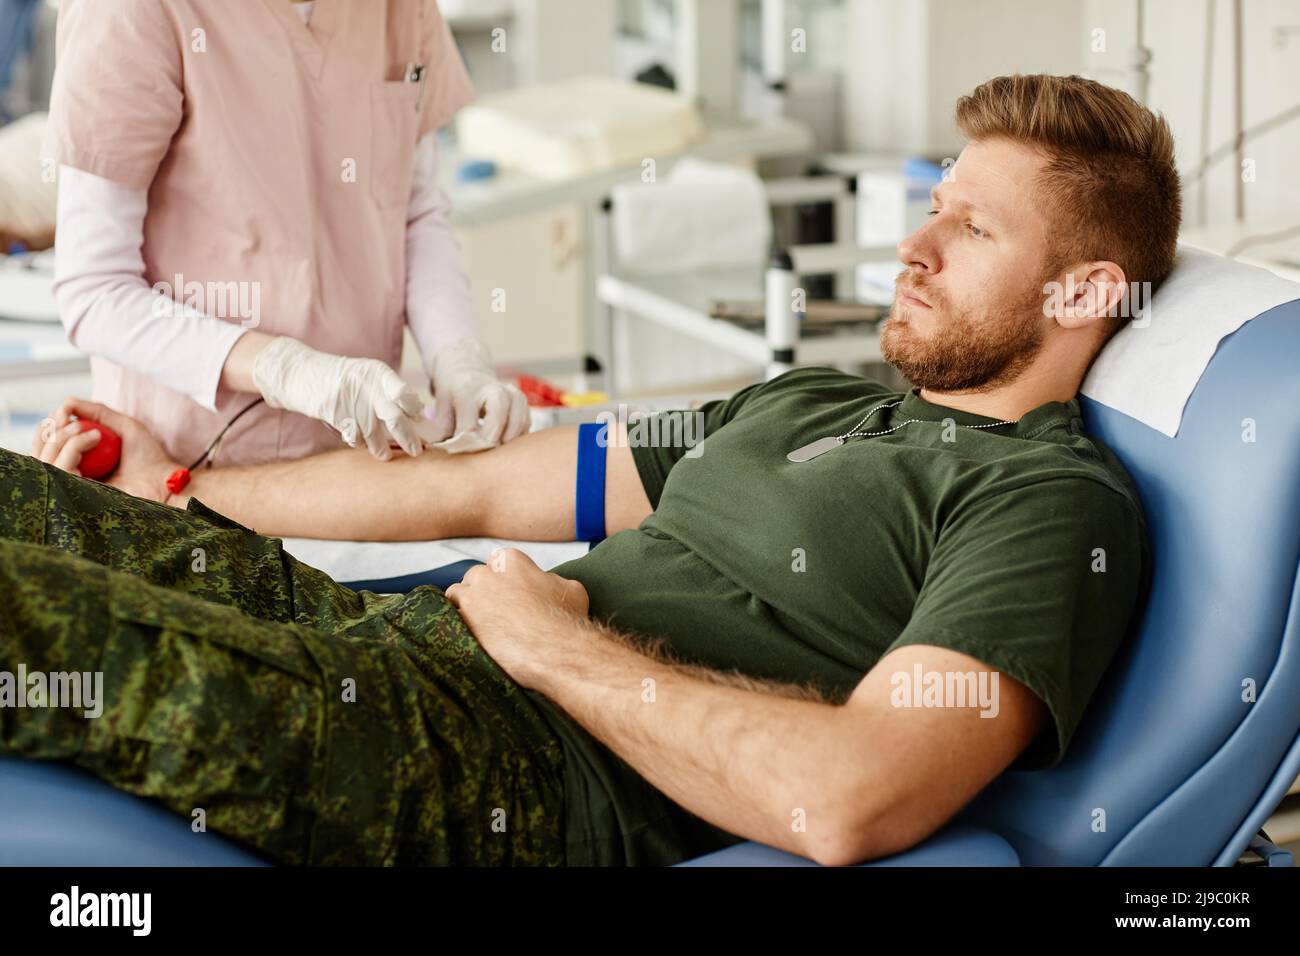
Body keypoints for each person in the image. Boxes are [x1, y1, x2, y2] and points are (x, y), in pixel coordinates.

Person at [6, 74, 1176, 866]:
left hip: (506, 757)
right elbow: (478, 485)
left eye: (969, 231)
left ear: (1083, 291)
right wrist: (170, 491)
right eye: (932, 206)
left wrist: (551, 646)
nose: (910, 251)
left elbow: (857, 791)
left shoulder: (1048, 502)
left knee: (31, 617)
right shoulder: (813, 400)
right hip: (406, 639)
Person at [41, 0, 528, 467]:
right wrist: (283, 368)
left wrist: (458, 358)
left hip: (366, 458)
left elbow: (416, 214)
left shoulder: (399, 6)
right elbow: (95, 291)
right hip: (192, 468)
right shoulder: (128, 10)